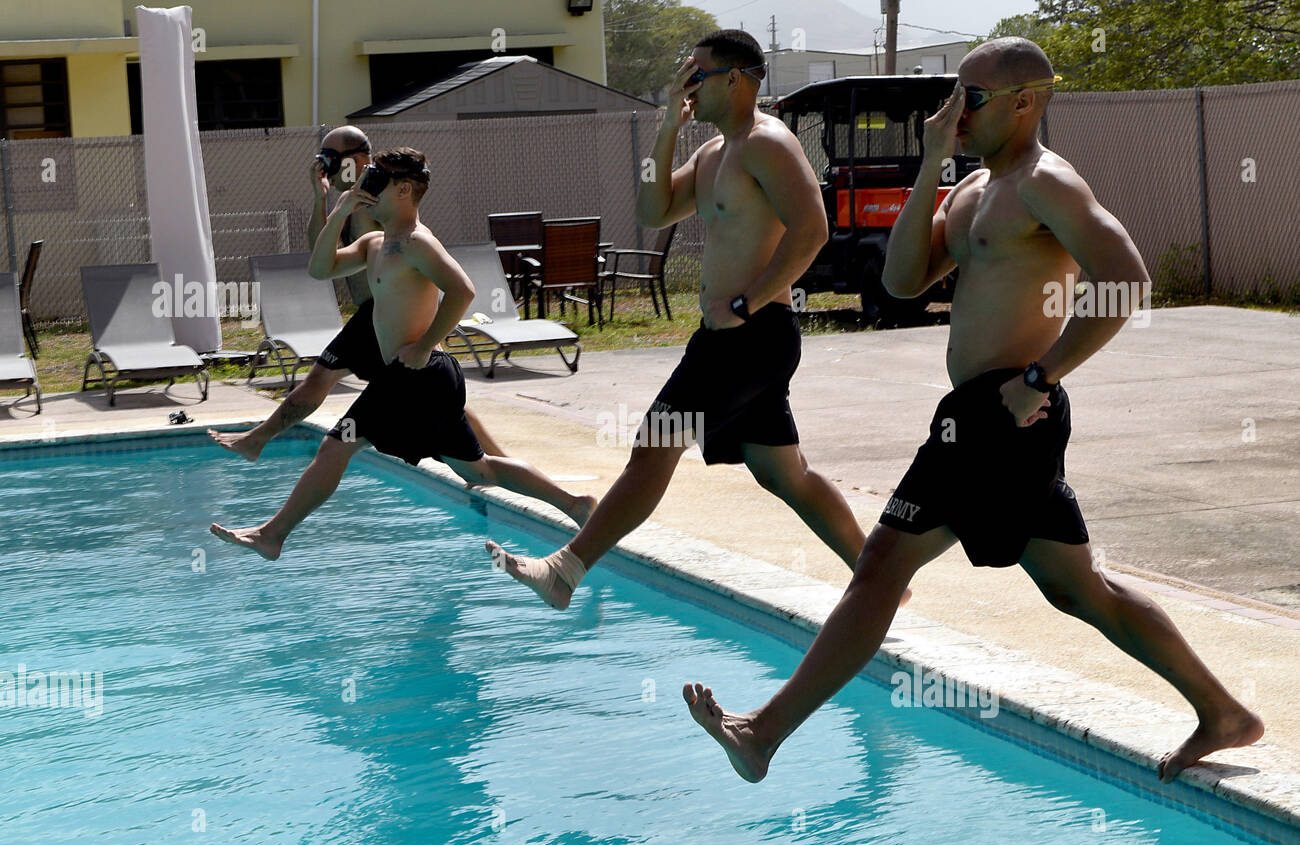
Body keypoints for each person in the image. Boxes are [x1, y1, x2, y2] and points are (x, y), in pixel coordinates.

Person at [682, 37, 1263, 784]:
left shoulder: (1047, 183)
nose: (956, 112)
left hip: (1008, 414)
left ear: (1026, 103)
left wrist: (1042, 377)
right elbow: (900, 282)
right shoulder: (971, 191)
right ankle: (1223, 713)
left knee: (882, 565)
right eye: (952, 96)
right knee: (1077, 588)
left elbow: (1125, 278)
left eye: (973, 98)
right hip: (976, 414)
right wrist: (929, 164)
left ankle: (764, 732)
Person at [486, 30, 897, 610]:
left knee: (653, 444)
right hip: (731, 336)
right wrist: (667, 129)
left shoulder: (768, 143)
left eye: (694, 75)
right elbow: (652, 209)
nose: (686, 86)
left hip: (750, 335)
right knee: (784, 473)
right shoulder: (712, 154)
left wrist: (749, 303)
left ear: (734, 77)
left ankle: (565, 569)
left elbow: (812, 230)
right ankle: (881, 577)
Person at [209, 147, 595, 559]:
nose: (369, 191)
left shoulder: (416, 243)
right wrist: (337, 212)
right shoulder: (376, 242)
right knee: (478, 470)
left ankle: (273, 535)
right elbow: (320, 269)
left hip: (420, 375)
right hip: (414, 379)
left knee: (337, 446)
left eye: (379, 184)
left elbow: (463, 290)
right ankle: (575, 505)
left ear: (406, 190)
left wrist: (425, 345)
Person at [209, 124, 508, 464]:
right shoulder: (355, 200)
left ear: (359, 159)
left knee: (328, 389)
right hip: (375, 315)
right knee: (445, 410)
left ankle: (259, 440)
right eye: (323, 157)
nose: (327, 165)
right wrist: (322, 200)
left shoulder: (377, 199)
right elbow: (321, 257)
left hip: (382, 316)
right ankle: (497, 465)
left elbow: (437, 273)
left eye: (333, 158)